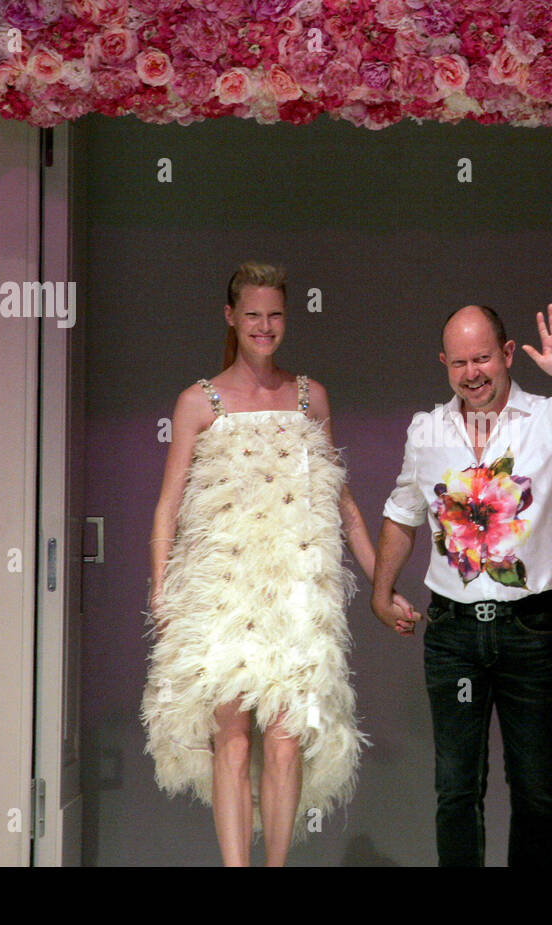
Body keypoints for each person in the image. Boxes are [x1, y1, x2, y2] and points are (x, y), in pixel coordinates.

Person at [140, 261, 417, 866]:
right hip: (221, 589)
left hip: (296, 590)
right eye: (253, 316)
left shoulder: (308, 397)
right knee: (232, 741)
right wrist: (162, 595)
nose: (264, 327)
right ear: (231, 318)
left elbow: (339, 502)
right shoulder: (198, 402)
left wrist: (382, 584)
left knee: (288, 740)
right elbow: (169, 506)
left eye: (275, 316)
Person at [371, 303, 552, 866]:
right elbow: (403, 510)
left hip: (530, 629)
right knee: (457, 789)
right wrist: (381, 591)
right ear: (444, 364)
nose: (472, 372)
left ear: (508, 354)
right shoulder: (426, 429)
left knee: (534, 786)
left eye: (482, 357)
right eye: (459, 362)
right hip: (452, 631)